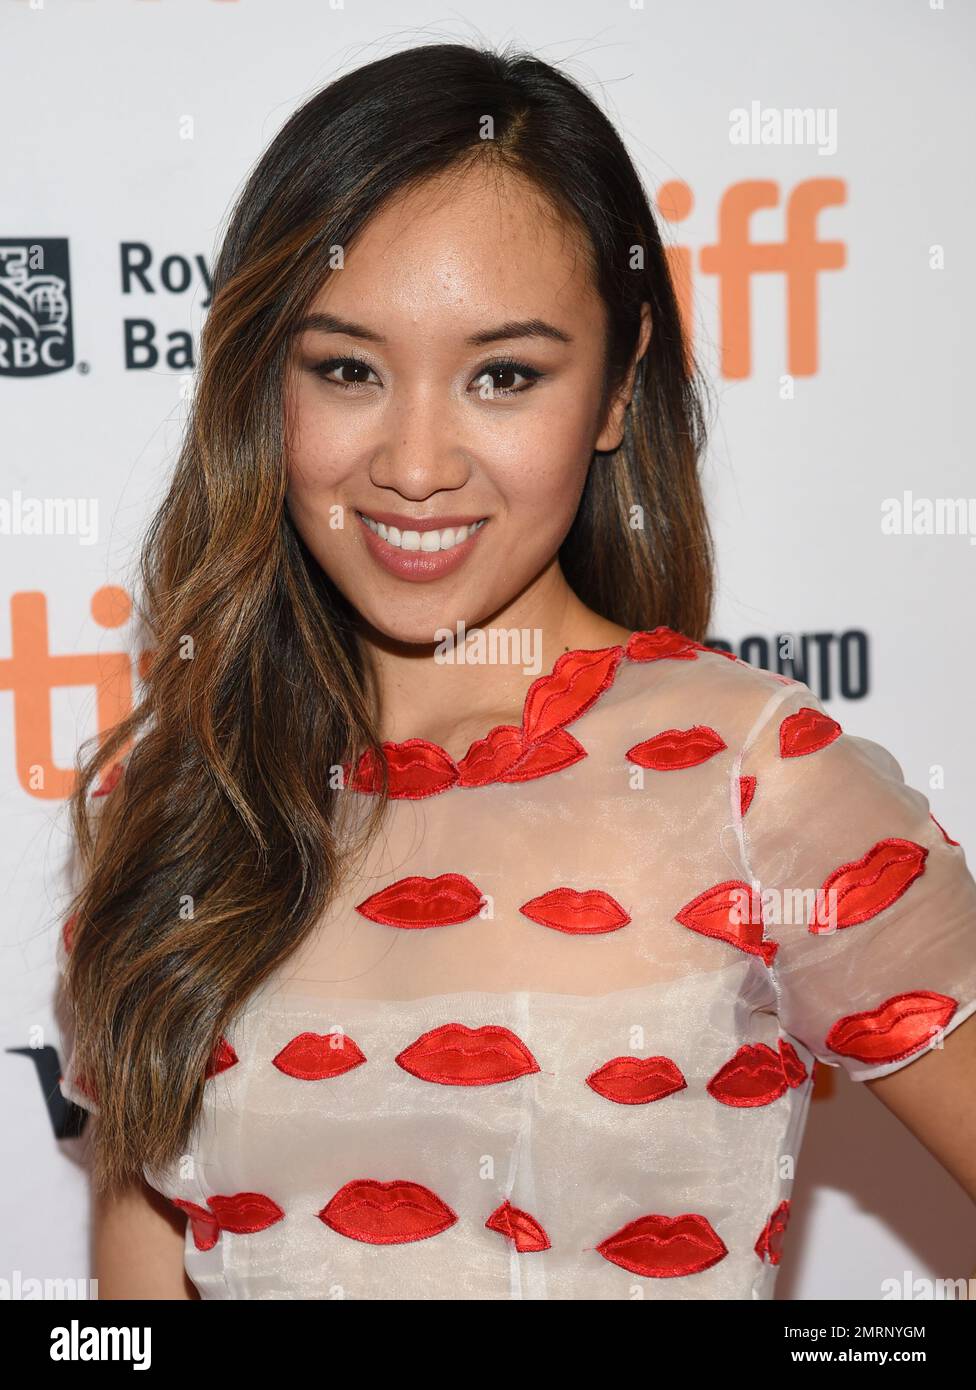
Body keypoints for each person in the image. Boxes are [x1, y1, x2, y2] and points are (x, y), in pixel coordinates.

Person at [58, 41, 976, 1301]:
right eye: (346, 369)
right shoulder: (182, 803)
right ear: (262, 379)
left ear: (612, 387)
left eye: (504, 374)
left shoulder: (754, 781)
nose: (418, 462)